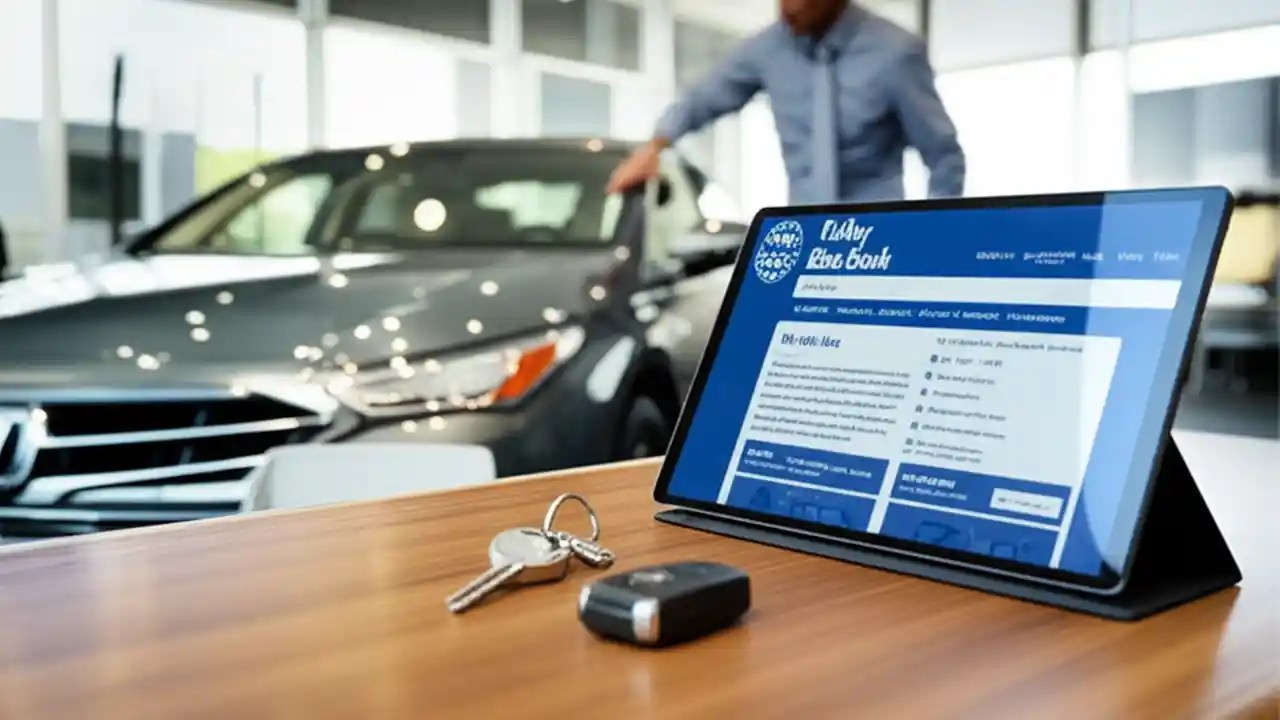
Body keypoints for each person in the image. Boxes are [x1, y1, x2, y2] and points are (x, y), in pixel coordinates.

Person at [608, 0, 964, 205]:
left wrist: (931, 233)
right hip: (803, 234)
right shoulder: (767, 49)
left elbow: (943, 155)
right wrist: (654, 146)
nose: (789, 7)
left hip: (878, 238)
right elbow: (704, 97)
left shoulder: (897, 52)